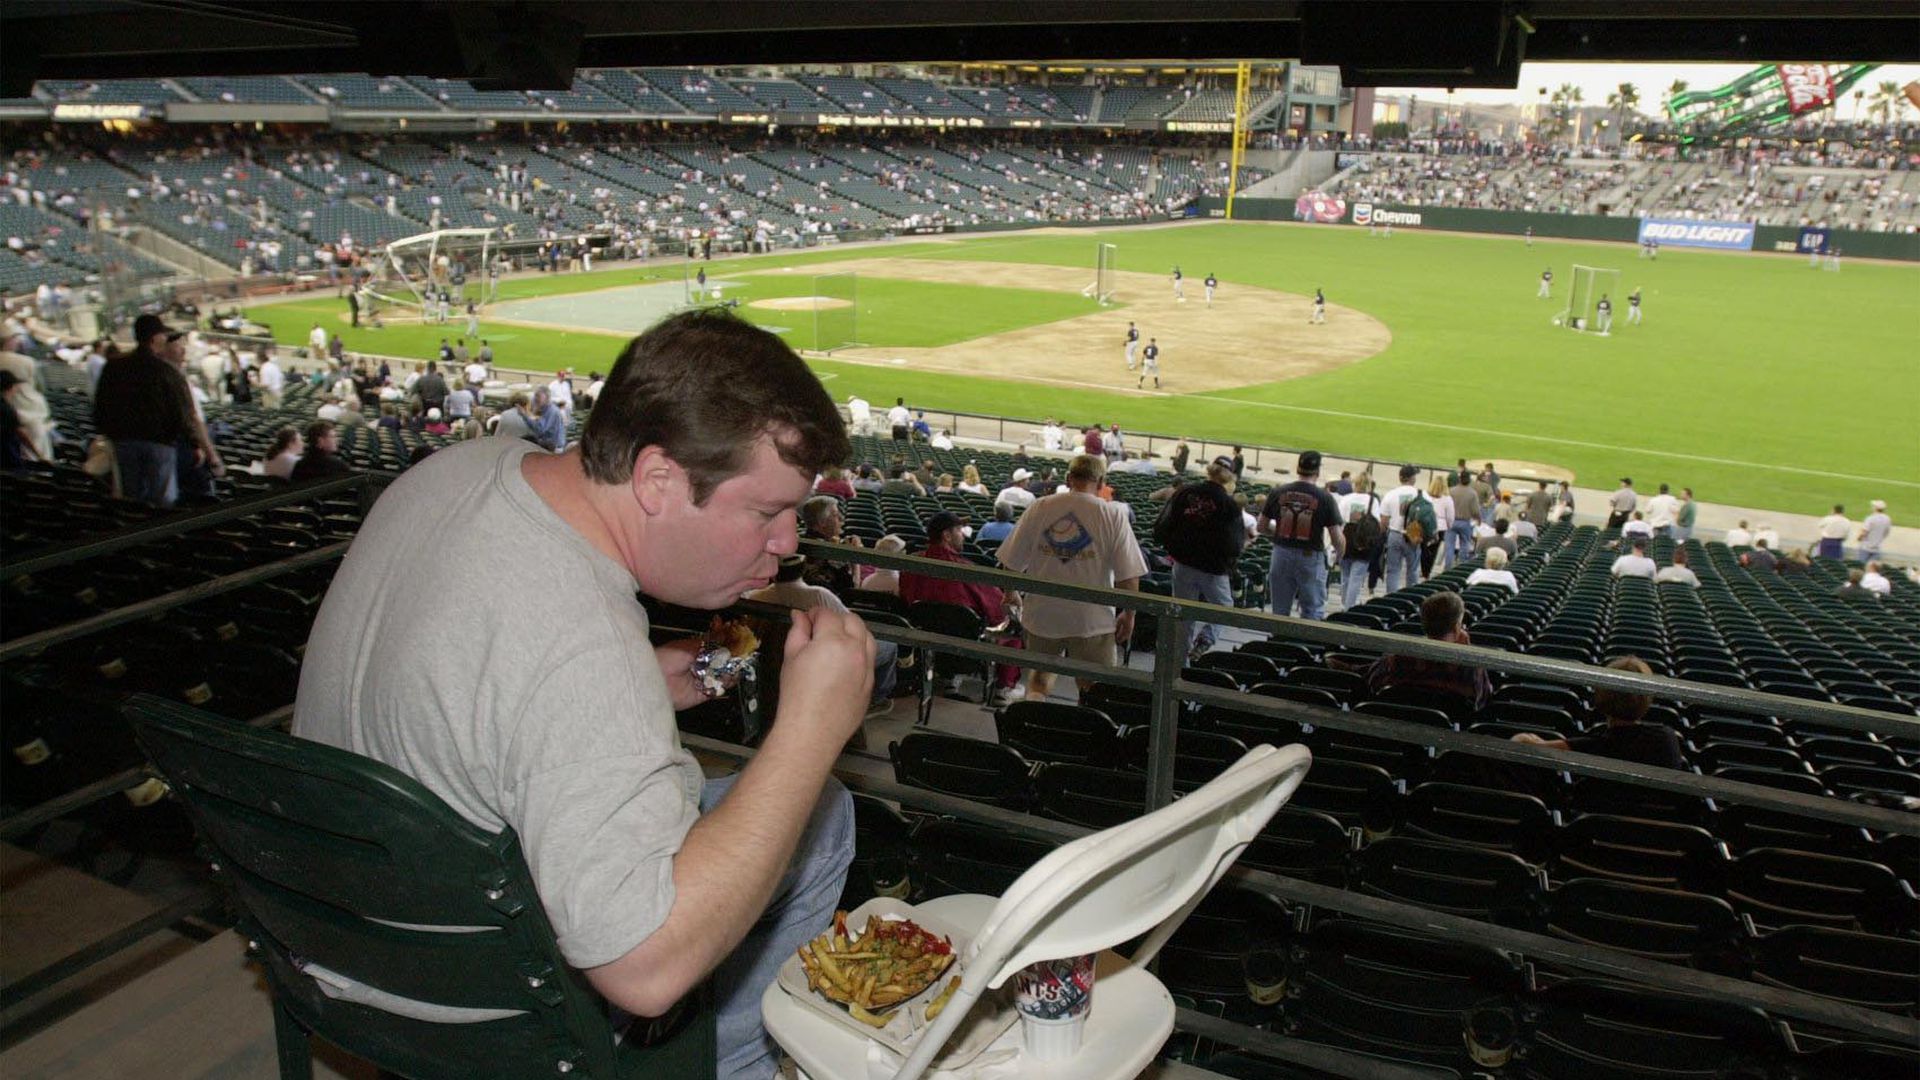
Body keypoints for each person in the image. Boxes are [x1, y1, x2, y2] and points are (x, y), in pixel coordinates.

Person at [295, 309, 868, 1080]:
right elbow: (644, 970)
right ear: (658, 477)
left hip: (338, 923)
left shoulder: (464, 469)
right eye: (766, 511)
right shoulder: (582, 648)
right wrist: (809, 731)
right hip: (469, 1005)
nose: (789, 542)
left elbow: (499, 685)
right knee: (823, 812)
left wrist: (649, 682)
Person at [997, 454, 1147, 699]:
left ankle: (1031, 729)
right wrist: (1129, 615)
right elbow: (1128, 577)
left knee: (1038, 682)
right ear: (1101, 483)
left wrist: (1011, 593)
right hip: (1092, 621)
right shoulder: (1113, 515)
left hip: (1042, 614)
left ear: (1068, 479)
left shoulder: (1040, 506)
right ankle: (1088, 735)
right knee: (1095, 690)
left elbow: (1011, 561)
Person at [748, 555, 897, 716]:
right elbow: (851, 626)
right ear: (803, 569)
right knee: (890, 646)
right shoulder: (820, 595)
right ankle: (875, 701)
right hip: (824, 661)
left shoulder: (757, 597)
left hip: (773, 661)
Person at [900, 511, 1023, 704]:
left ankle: (949, 677)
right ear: (947, 536)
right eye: (959, 530)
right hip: (967, 649)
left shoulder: (911, 566)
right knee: (1011, 629)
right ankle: (1002, 690)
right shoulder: (964, 570)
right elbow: (998, 610)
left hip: (925, 643)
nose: (964, 535)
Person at [92, 315, 204, 507]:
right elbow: (181, 412)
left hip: (124, 443)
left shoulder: (114, 366)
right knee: (162, 503)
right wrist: (194, 444)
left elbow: (100, 405)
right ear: (154, 339)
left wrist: (110, 434)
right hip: (159, 445)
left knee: (131, 501)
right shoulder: (166, 371)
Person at [1510, 657, 1684, 769]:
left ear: (1600, 696)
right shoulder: (1667, 738)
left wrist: (1527, 738)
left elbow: (1524, 746)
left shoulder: (1592, 746)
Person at [1154, 459, 1244, 661]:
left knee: (1183, 614)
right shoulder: (1229, 504)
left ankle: (1180, 664)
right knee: (1223, 609)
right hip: (1213, 569)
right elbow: (1234, 546)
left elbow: (1161, 527)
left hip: (1182, 564)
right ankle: (1205, 640)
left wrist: (1175, 549)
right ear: (1229, 477)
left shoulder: (1185, 493)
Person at [1350, 591, 1491, 713]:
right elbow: (1481, 701)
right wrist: (1466, 652)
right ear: (1456, 628)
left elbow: (1371, 681)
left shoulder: (1396, 660)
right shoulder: (1472, 669)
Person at [1258, 450, 1344, 620]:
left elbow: (1261, 526)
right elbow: (1337, 537)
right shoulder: (1325, 498)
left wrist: (1280, 533)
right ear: (1317, 471)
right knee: (1312, 611)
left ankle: (1278, 643)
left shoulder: (1278, 492)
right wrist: (1339, 556)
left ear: (1298, 468)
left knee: (1279, 611)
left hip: (1281, 552)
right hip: (1310, 556)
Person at [798, 495, 862, 594]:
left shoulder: (800, 540)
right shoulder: (829, 553)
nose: (841, 518)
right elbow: (853, 589)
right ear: (822, 522)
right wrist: (855, 556)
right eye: (835, 514)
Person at [1378, 464, 1427, 593]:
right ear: (1412, 478)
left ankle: (1391, 599)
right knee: (1412, 570)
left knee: (1393, 570)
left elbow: (1383, 521)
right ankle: (1410, 598)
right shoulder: (1422, 495)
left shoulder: (1391, 494)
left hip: (1395, 534)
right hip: (1414, 535)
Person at [1336, 490, 1381, 610]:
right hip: (1364, 538)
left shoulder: (1345, 498)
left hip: (1347, 536)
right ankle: (1349, 607)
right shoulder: (1373, 500)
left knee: (1345, 575)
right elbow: (1377, 523)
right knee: (1356, 577)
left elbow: (1339, 520)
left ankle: (1344, 603)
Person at [0, 370, 45, 469]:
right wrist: (39, 455)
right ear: (11, 387)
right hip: (7, 455)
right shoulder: (7, 409)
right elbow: (21, 433)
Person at [1446, 471, 1482, 567]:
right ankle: (1461, 565)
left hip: (1452, 521)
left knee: (1449, 545)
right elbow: (1475, 510)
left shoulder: (1452, 491)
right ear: (1469, 480)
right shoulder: (1472, 493)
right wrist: (1479, 519)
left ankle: (1448, 566)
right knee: (1465, 544)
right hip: (1465, 522)